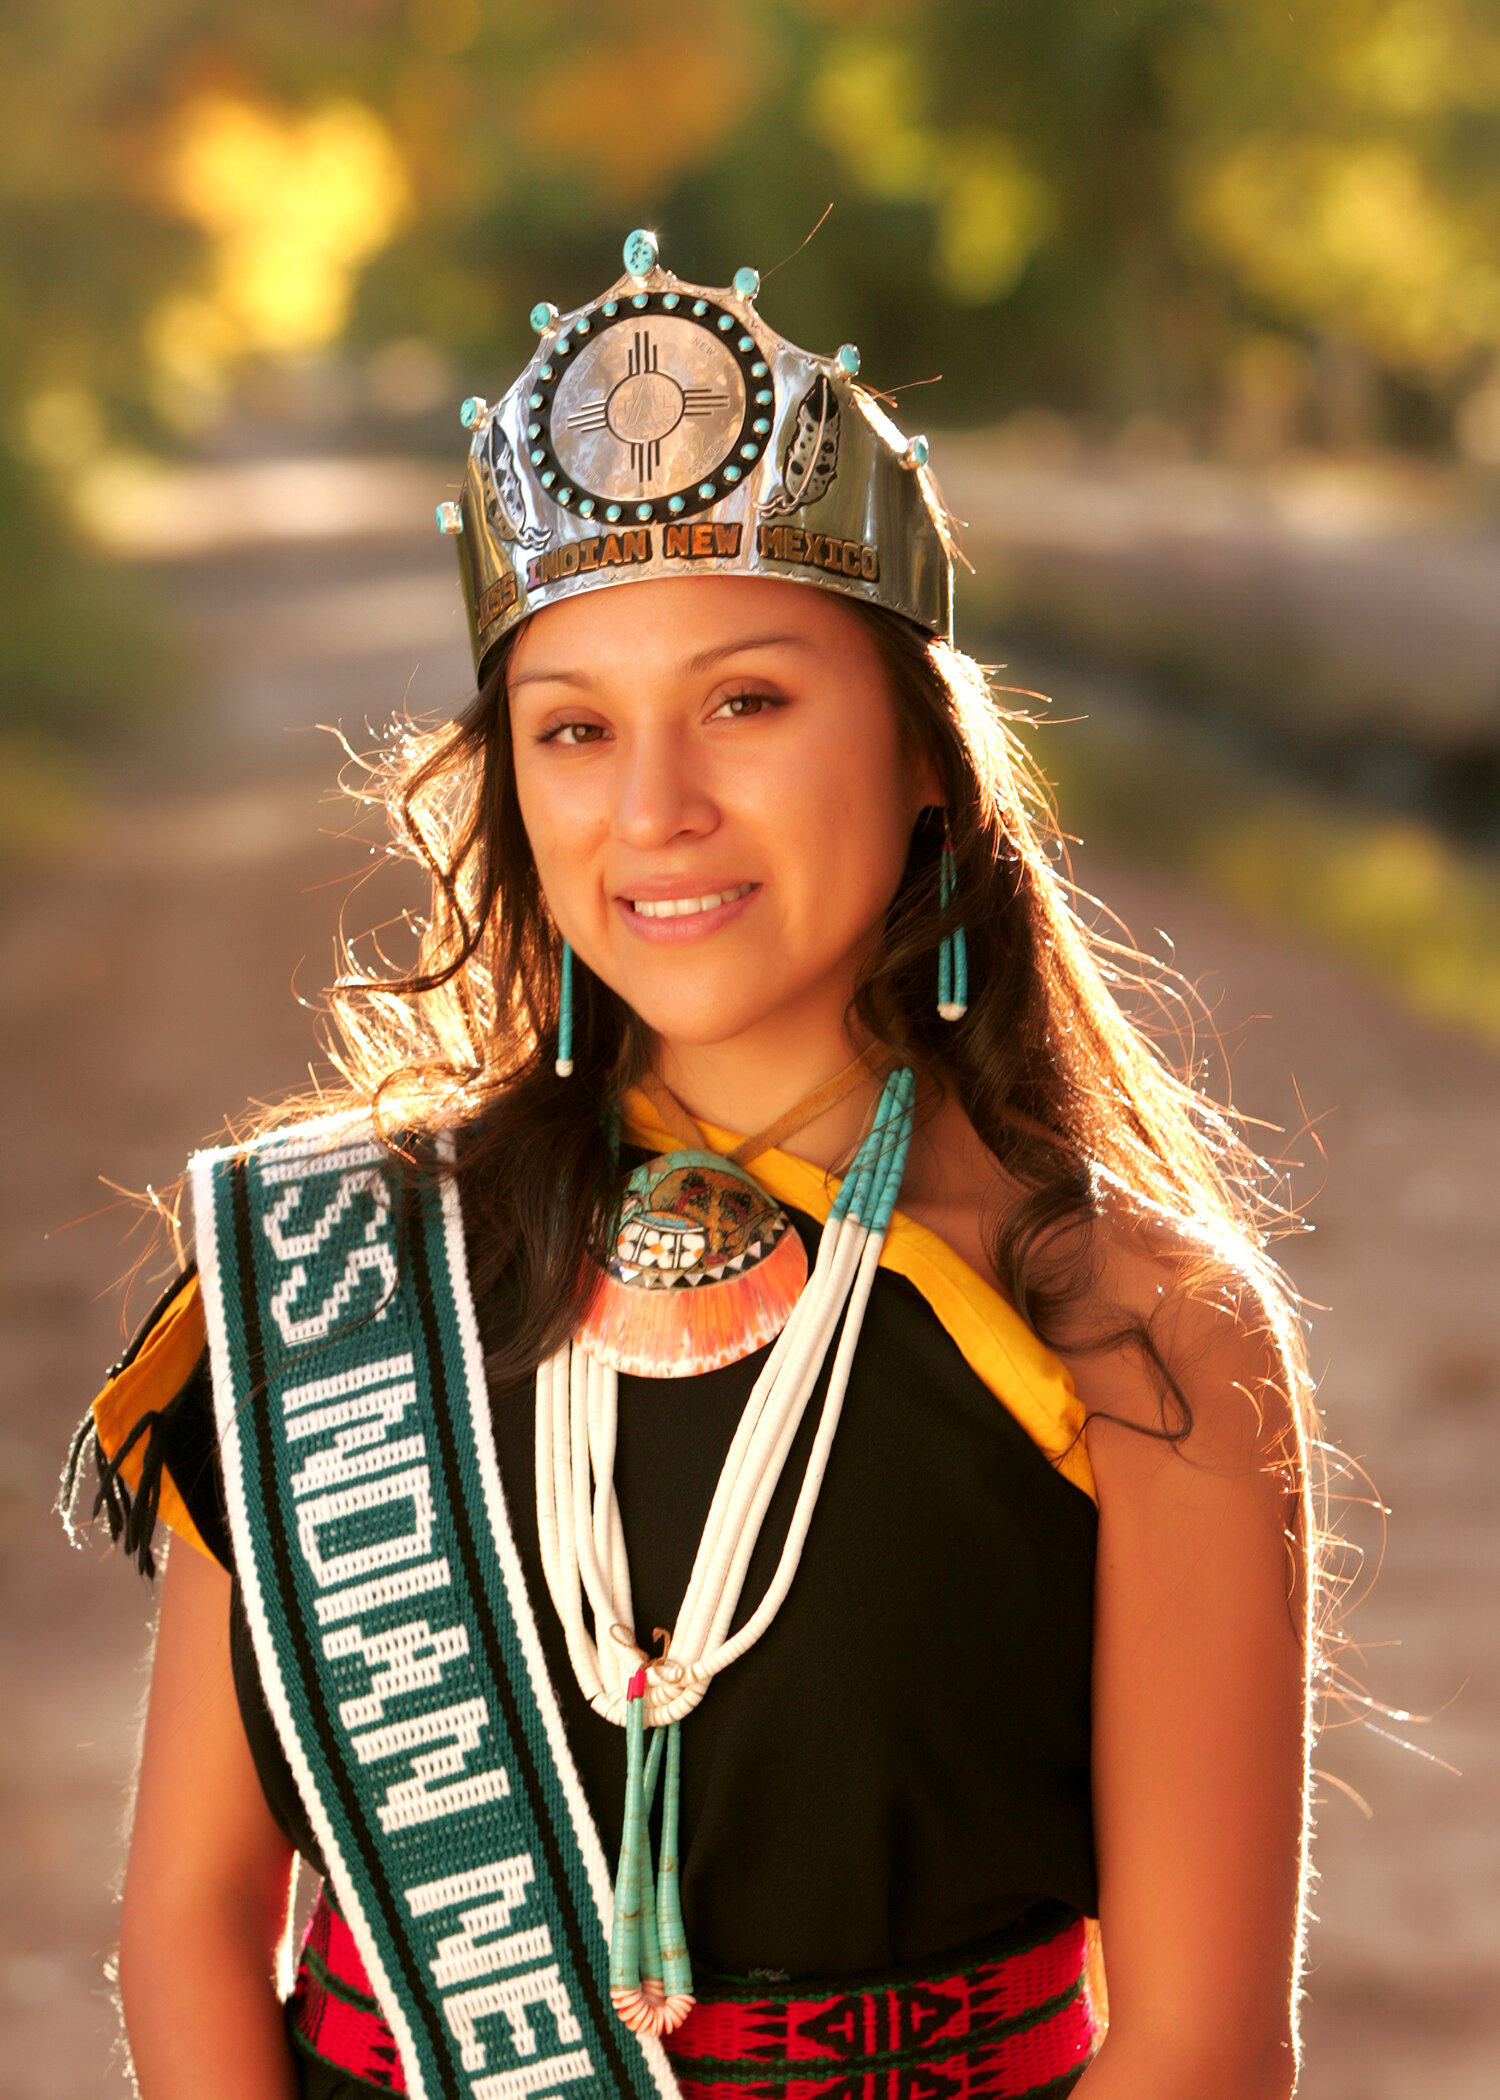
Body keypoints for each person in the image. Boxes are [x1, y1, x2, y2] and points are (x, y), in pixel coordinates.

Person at [63, 231, 1316, 2100]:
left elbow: (1203, 2052)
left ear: (919, 757)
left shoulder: (1147, 1333)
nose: (656, 809)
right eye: (574, 731)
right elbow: (184, 1924)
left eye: (747, 701)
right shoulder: (336, 1273)